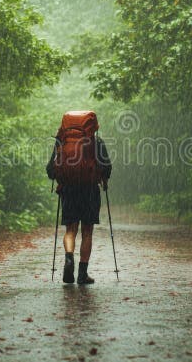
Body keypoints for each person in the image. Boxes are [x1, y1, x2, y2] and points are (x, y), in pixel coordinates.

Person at [46, 119, 112, 284]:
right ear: (93, 125)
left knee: (71, 230)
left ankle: (69, 258)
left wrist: (61, 176)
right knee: (87, 232)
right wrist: (103, 178)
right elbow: (107, 166)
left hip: (69, 190)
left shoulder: (62, 142)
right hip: (89, 190)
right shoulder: (96, 141)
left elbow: (50, 169)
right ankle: (82, 274)